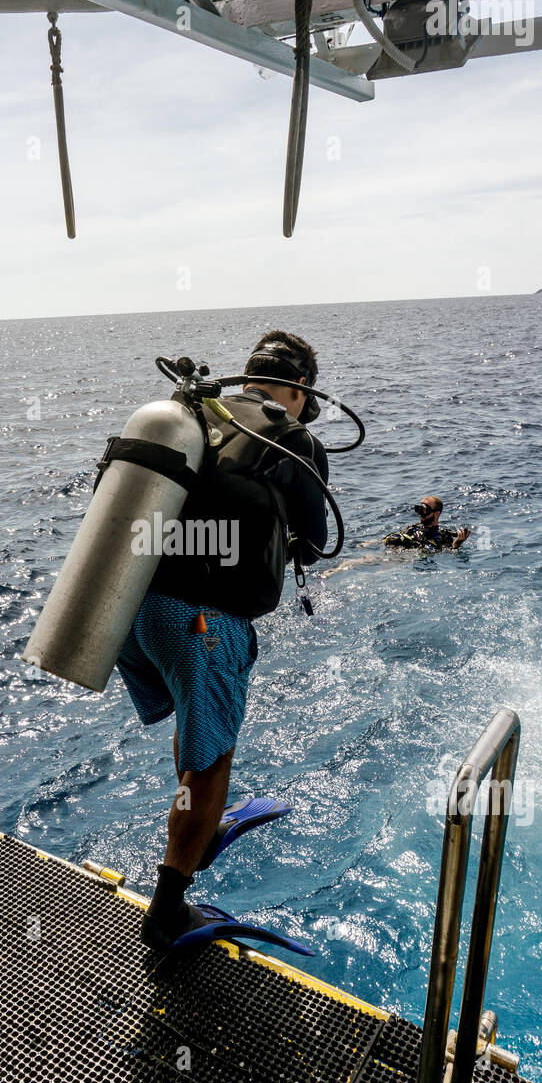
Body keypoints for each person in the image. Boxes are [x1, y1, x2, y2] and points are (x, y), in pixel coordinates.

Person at [116, 331, 329, 951]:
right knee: (211, 765)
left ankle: (202, 832)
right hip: (203, 623)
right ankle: (168, 910)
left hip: (137, 607)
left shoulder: (197, 413)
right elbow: (315, 542)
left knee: (198, 726)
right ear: (300, 389)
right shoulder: (293, 437)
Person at [384, 496, 470, 552]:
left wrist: (457, 544)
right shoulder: (413, 528)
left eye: (425, 510)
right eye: (419, 510)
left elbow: (450, 552)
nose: (421, 514)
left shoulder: (444, 536)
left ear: (437, 513)